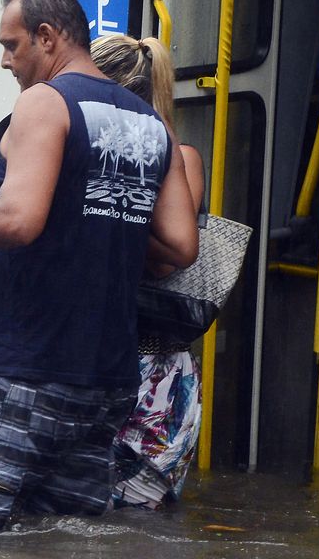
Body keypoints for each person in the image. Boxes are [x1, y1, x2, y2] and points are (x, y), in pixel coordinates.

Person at [0, 0, 198, 537]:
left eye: (11, 45)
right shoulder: (150, 123)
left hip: (32, 371)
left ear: (46, 36)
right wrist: (98, 215)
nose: (5, 61)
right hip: (108, 384)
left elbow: (17, 220)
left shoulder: (46, 102)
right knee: (56, 537)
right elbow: (182, 245)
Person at [89, 34, 207, 509]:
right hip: (99, 356)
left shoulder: (179, 157)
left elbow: (166, 258)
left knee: (134, 521)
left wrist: (106, 220)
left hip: (153, 368)